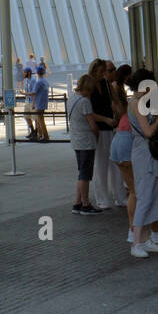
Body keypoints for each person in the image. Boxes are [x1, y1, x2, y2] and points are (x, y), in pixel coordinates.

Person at [127, 68, 158, 258]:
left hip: (142, 153)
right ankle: (137, 243)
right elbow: (148, 132)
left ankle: (144, 240)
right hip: (145, 154)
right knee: (145, 197)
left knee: (148, 195)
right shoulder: (138, 103)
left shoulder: (134, 102)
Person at [110, 64, 138, 240]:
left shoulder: (130, 103)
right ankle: (136, 232)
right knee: (136, 191)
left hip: (118, 141)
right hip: (126, 142)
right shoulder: (135, 104)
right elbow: (147, 131)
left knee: (133, 190)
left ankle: (134, 230)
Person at [87, 59, 118, 209]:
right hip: (98, 128)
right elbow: (88, 112)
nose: (101, 75)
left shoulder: (106, 84)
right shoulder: (89, 86)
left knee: (113, 162)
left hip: (109, 126)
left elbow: (115, 101)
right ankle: (102, 198)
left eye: (103, 72)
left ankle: (117, 196)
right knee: (101, 165)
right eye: (99, 72)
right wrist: (105, 118)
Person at [69, 75, 101, 214]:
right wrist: (97, 136)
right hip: (86, 141)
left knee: (81, 171)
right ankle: (86, 204)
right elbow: (92, 124)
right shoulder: (85, 102)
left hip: (76, 140)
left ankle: (77, 202)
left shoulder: (71, 98)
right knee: (85, 174)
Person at [28, 63, 51, 141]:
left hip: (39, 103)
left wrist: (23, 93)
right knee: (40, 120)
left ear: (37, 73)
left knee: (40, 121)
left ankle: (45, 136)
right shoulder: (46, 81)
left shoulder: (38, 82)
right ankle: (42, 135)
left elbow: (33, 93)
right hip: (44, 103)